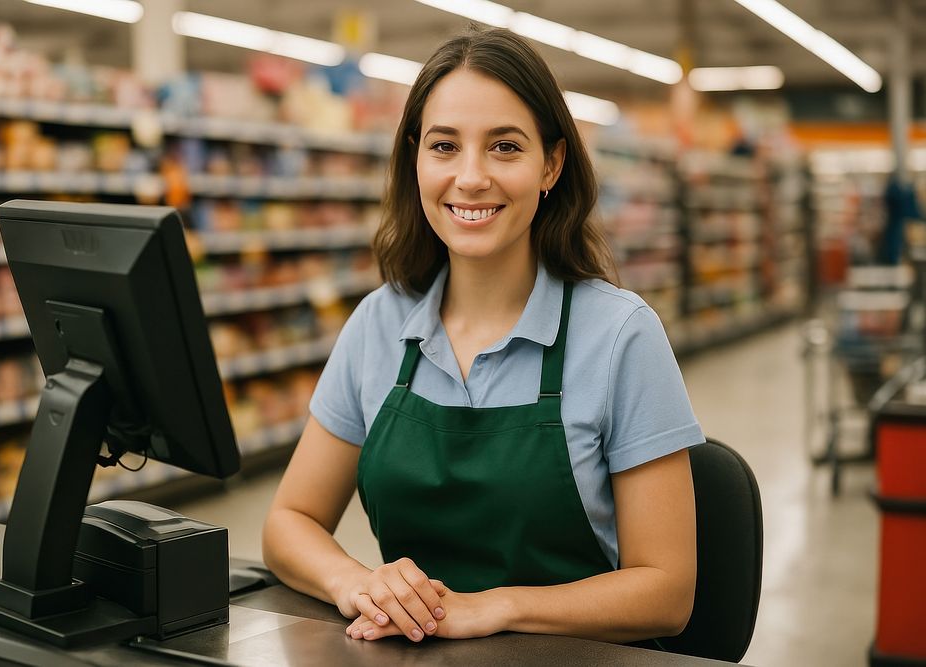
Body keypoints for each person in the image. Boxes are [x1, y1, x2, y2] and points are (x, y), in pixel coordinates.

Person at [262, 27, 703, 645]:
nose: (470, 178)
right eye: (444, 146)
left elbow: (667, 590)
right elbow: (290, 519)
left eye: (504, 147)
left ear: (551, 164)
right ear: (415, 157)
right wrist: (354, 582)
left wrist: (495, 607)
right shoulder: (378, 324)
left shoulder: (621, 335)